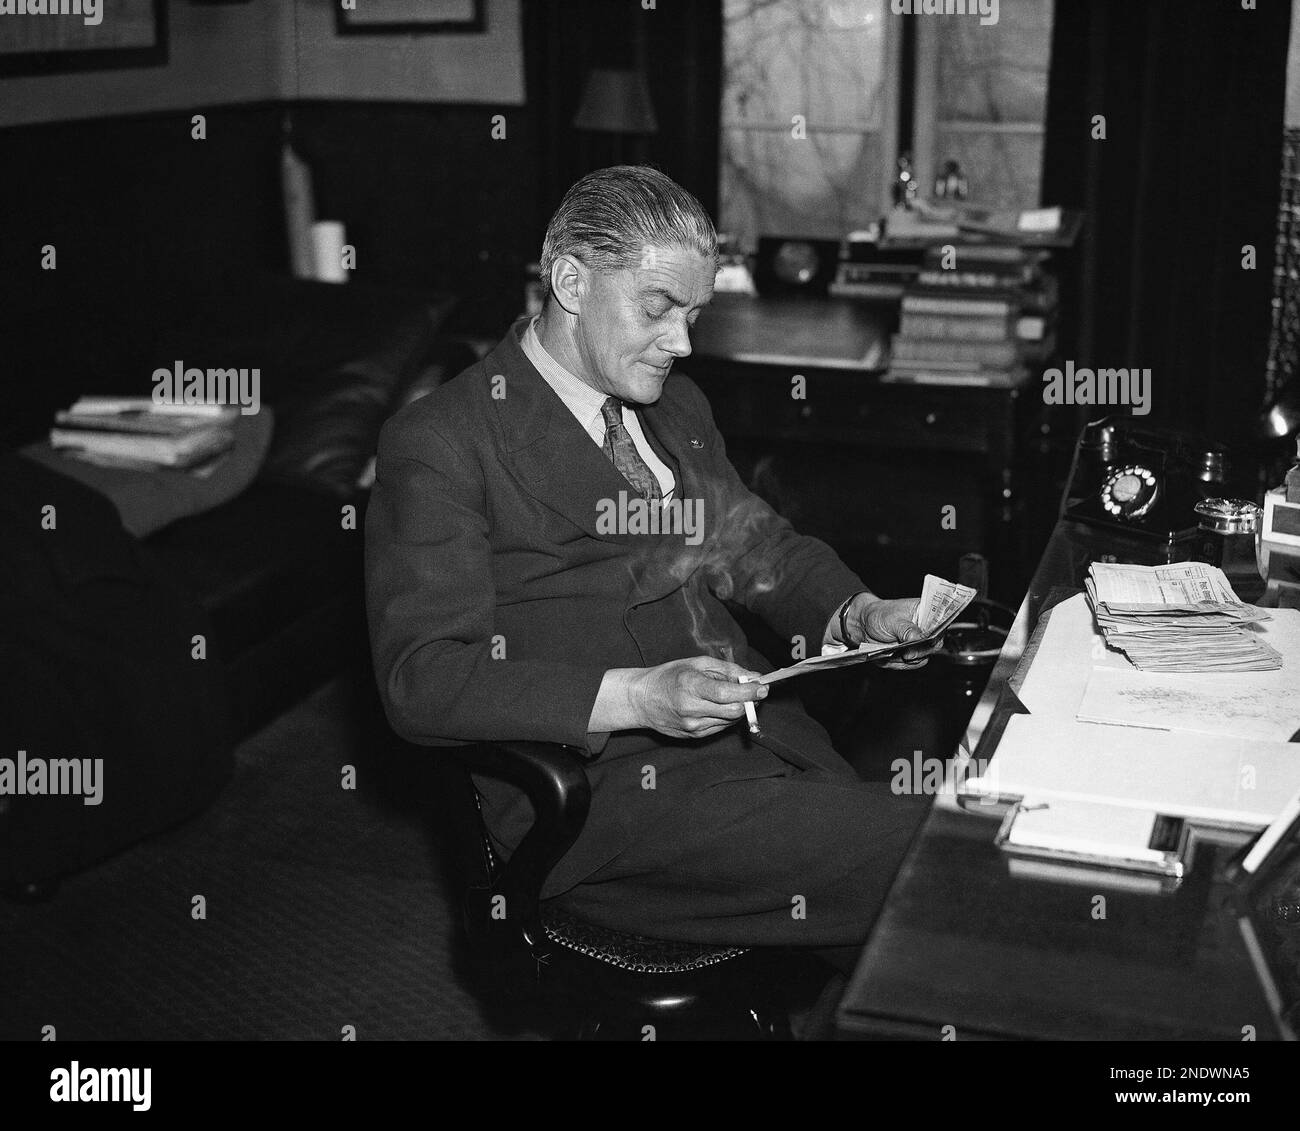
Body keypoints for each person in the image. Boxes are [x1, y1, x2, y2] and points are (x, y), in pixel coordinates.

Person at [365, 166, 933, 956]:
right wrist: (640, 696)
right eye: (658, 309)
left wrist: (858, 613)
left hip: (756, 746)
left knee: (941, 891)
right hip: (608, 803)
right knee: (951, 861)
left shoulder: (674, 405)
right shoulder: (444, 441)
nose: (684, 342)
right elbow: (420, 681)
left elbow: (755, 545)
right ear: (570, 280)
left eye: (695, 313)